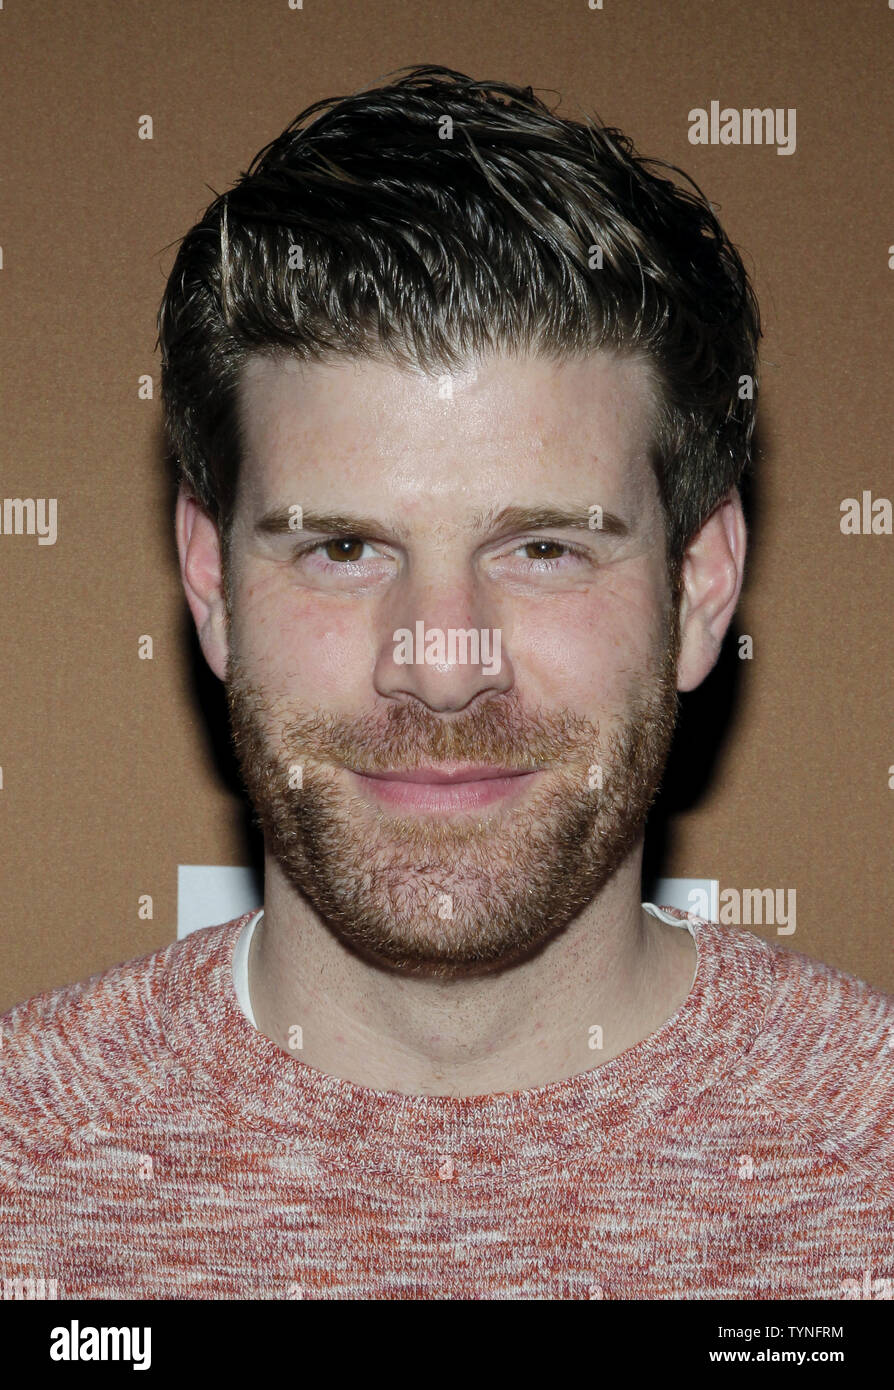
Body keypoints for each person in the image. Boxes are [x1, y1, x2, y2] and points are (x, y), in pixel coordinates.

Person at [1, 65, 891, 1302]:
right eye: (343, 547)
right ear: (209, 585)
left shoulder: (870, 1161)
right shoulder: (26, 1172)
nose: (441, 661)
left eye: (542, 549)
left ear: (700, 585)